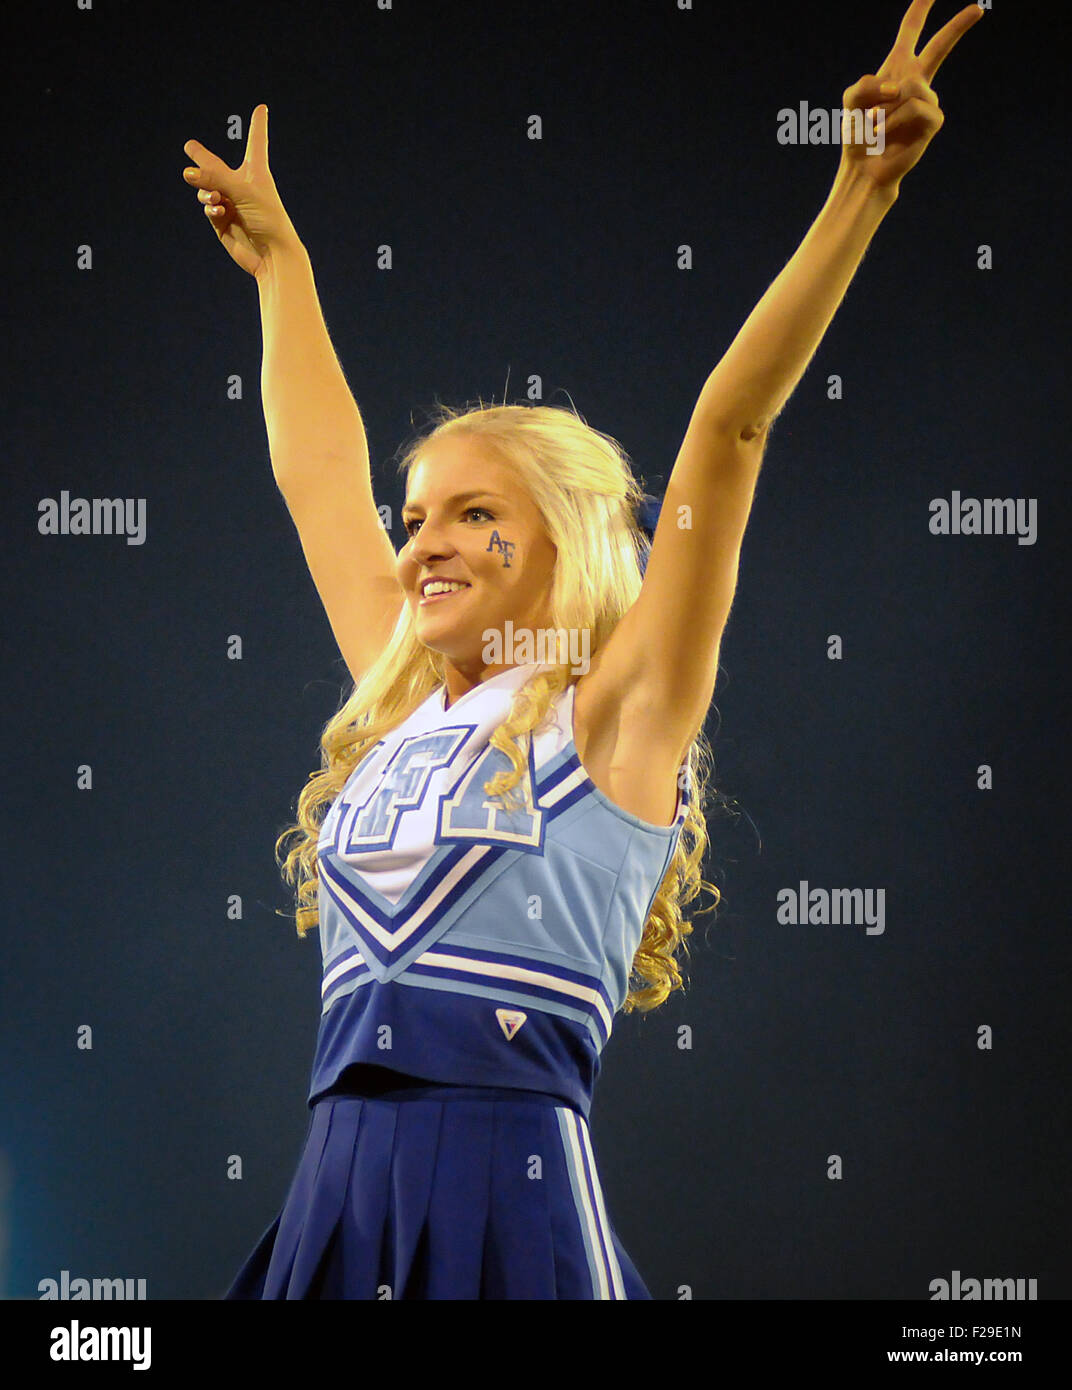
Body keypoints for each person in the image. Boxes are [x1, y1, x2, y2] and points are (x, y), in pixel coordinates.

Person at [182, 0, 983, 1299]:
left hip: (508, 1182)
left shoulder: (617, 717)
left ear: (561, 541)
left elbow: (727, 434)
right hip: (331, 1184)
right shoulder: (403, 705)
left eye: (475, 514)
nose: (423, 543)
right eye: (418, 516)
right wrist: (284, 275)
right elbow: (317, 472)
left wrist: (861, 193)